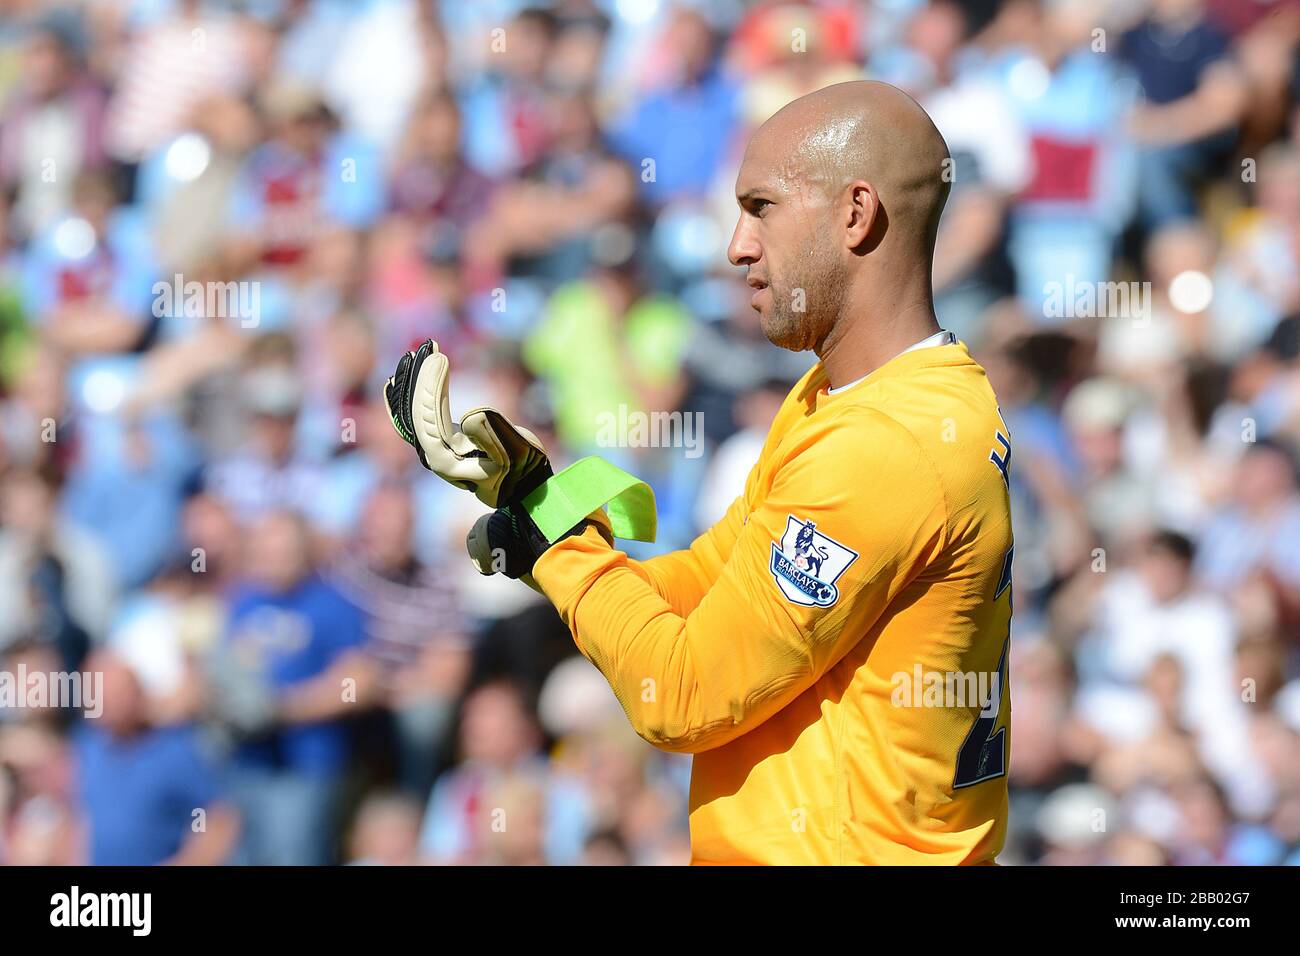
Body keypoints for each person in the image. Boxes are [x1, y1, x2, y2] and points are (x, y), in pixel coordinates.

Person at [389, 80, 1014, 865]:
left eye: (762, 207)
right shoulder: (845, 398)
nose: (737, 245)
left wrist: (558, 550)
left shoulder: (887, 442)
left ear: (856, 214)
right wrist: (548, 517)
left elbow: (680, 696)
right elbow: (710, 587)